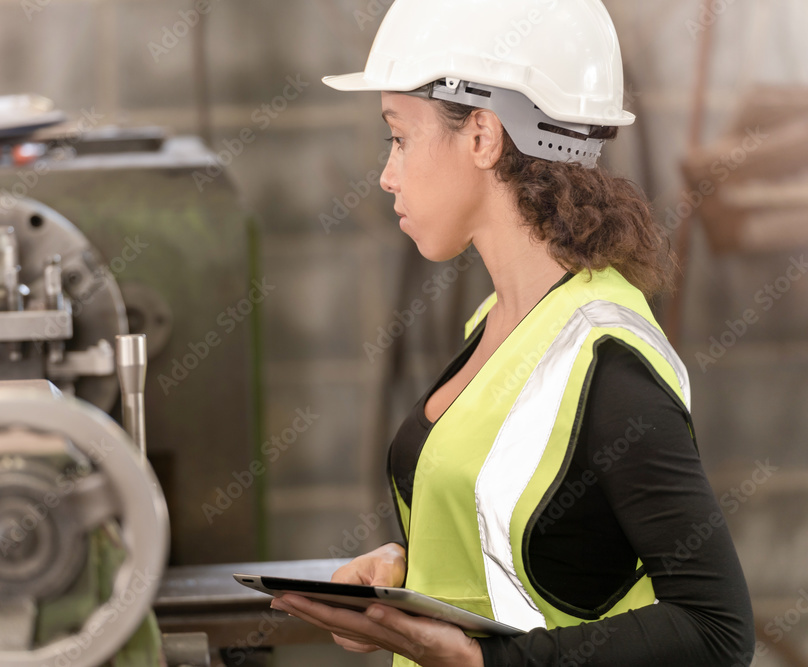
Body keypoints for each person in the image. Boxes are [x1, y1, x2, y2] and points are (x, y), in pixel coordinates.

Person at [270, 1, 757, 665]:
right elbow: (551, 549)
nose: (388, 174)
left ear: (481, 135)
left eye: (400, 136)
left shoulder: (605, 360)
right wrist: (405, 579)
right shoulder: (505, 321)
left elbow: (715, 629)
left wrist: (483, 661)